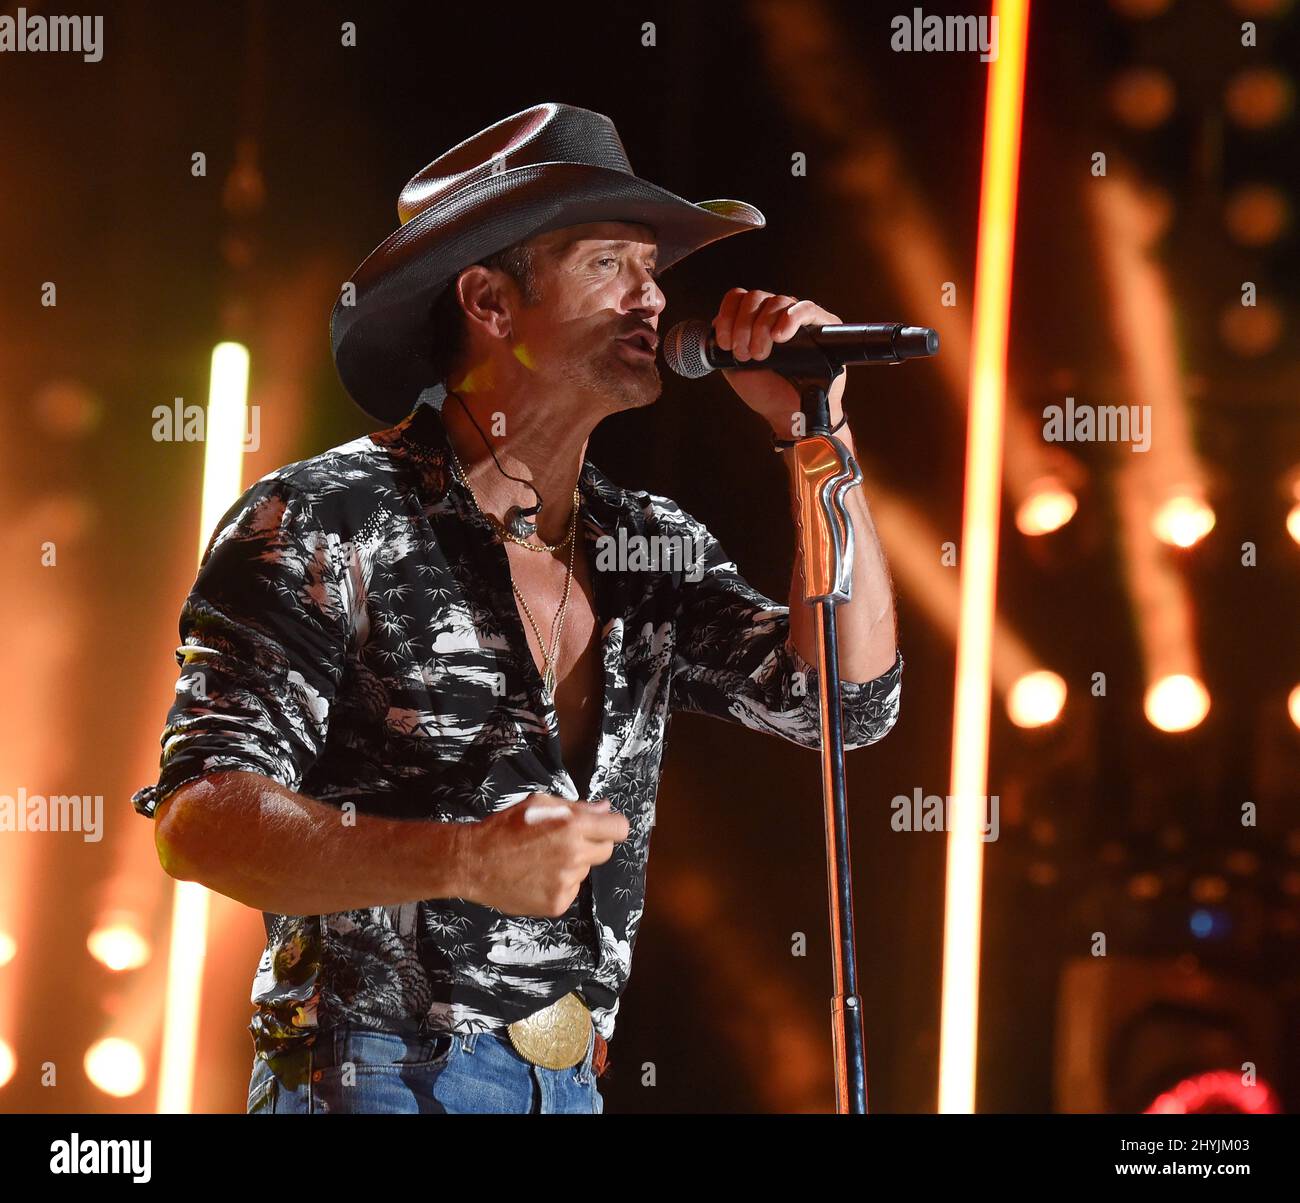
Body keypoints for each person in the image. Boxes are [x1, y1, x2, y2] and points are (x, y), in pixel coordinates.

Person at [132, 102, 903, 1114]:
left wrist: (818, 429)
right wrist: (465, 858)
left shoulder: (646, 546)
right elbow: (202, 822)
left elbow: (845, 702)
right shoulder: (323, 518)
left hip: (570, 1082)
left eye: (651, 268)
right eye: (608, 265)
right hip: (371, 1071)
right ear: (490, 302)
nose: (651, 299)